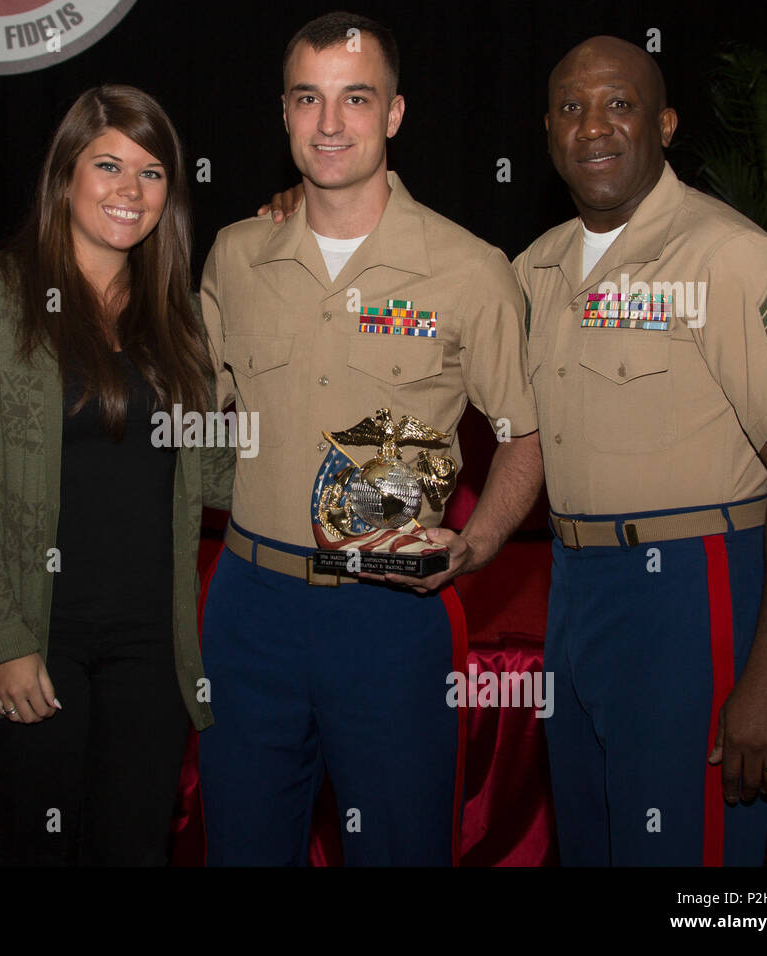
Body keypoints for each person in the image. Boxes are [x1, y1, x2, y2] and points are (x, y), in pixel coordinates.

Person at [199, 12, 542, 866]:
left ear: (393, 114)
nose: (329, 123)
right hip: (250, 608)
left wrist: (474, 546)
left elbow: (526, 435)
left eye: (356, 98)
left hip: (389, 613)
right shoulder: (235, 256)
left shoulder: (470, 270)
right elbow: (198, 422)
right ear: (283, 112)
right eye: (308, 98)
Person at [512, 36, 767, 865]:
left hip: (691, 593)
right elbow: (413, 327)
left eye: (619, 104)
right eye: (572, 108)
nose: (594, 127)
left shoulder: (729, 255)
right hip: (575, 589)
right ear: (548, 130)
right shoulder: (535, 270)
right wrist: (322, 217)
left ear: (663, 124)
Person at [0, 84, 232, 866]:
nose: (131, 190)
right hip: (33, 635)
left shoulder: (177, 313)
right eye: (108, 165)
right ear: (66, 174)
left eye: (152, 171)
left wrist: (357, 477)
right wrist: (0, 640)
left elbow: (218, 473)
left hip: (152, 649)